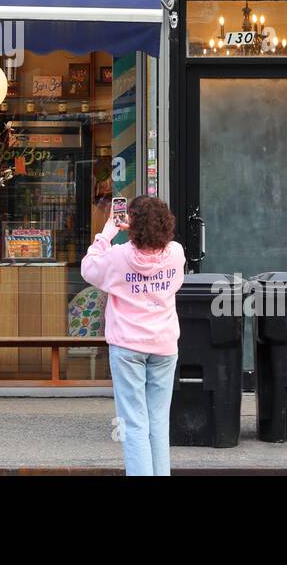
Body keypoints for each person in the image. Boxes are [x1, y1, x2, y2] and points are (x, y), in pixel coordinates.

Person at [80, 195, 184, 476]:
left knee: (134, 423)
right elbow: (175, 280)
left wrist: (107, 233)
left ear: (131, 224)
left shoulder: (118, 256)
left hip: (127, 347)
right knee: (158, 422)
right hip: (164, 345)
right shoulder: (176, 253)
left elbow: (88, 269)